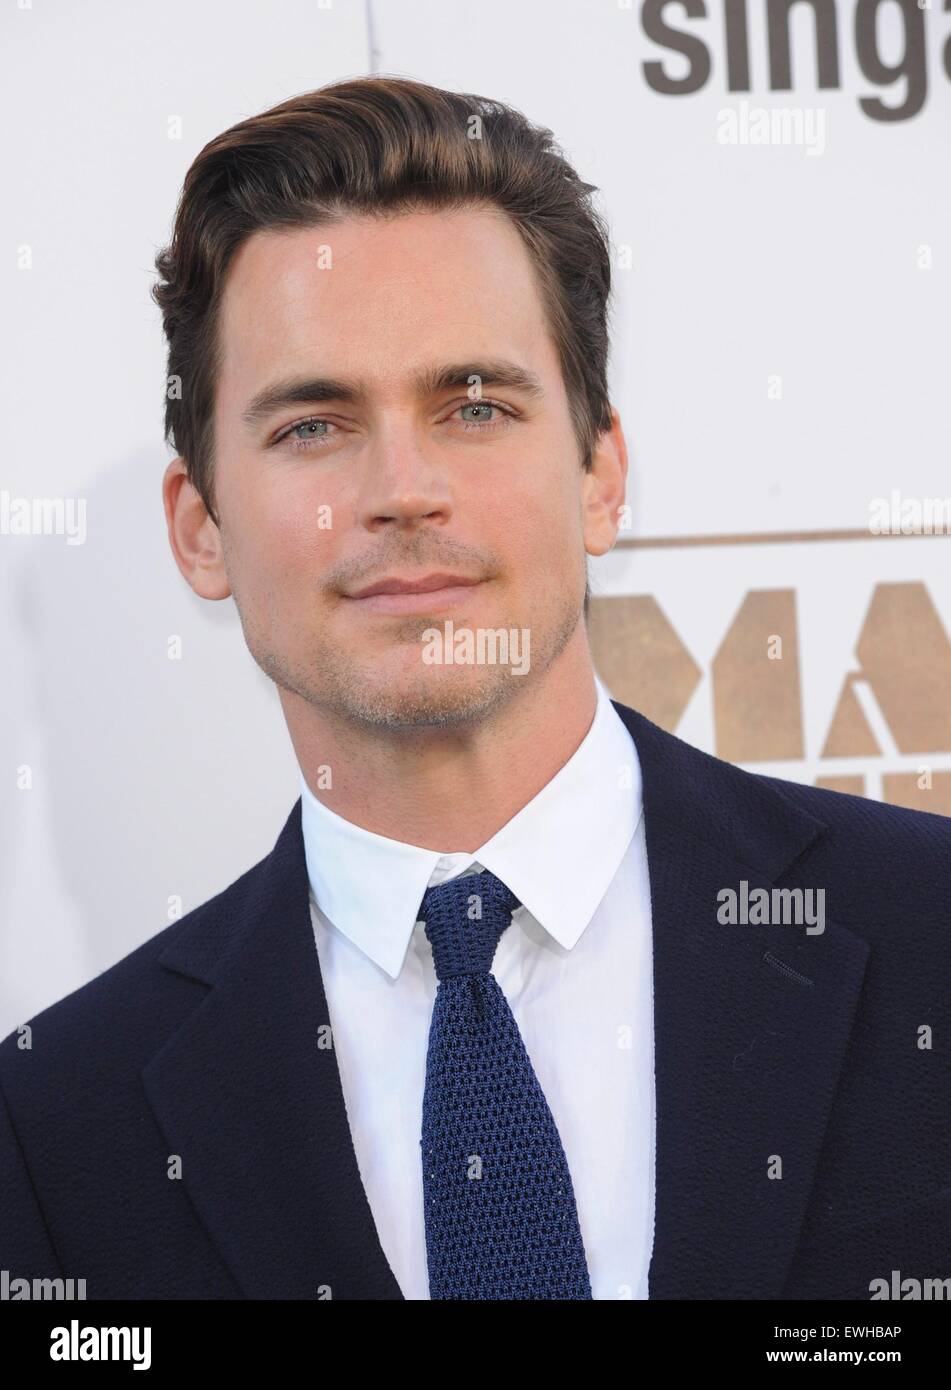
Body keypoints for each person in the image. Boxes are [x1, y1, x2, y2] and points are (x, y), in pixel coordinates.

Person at [1, 76, 949, 1302]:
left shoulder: (931, 935)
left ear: (602, 474)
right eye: (312, 426)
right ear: (201, 528)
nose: (403, 487)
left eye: (476, 404)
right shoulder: (56, 1126)